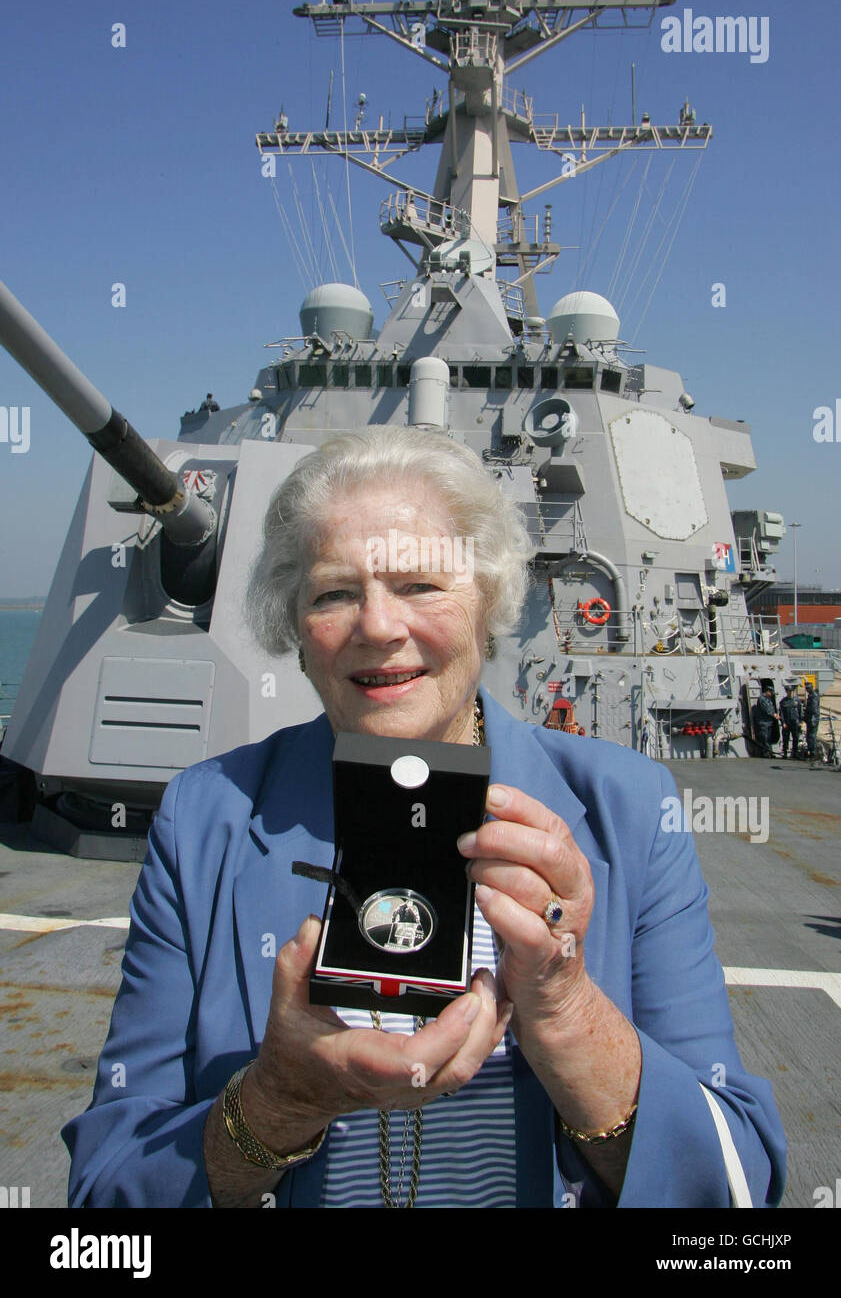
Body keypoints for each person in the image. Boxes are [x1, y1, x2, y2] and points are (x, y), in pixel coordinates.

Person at [62, 426, 785, 1208]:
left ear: (489, 605)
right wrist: (276, 1105)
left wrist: (564, 1006)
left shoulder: (629, 813)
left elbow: (733, 1191)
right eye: (334, 592)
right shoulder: (206, 818)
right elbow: (106, 1201)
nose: (378, 626)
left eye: (421, 585)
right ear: (294, 628)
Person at [752, 682, 778, 757]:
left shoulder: (768, 699)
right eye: (771, 693)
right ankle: (765, 753)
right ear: (767, 691)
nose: (772, 694)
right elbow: (766, 709)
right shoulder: (762, 699)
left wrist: (774, 714)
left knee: (768, 738)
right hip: (763, 722)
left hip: (768, 722)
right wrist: (774, 715)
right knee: (764, 738)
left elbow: (771, 708)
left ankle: (769, 752)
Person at [779, 684, 803, 759]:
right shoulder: (783, 701)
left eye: (791, 691)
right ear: (786, 692)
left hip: (795, 722)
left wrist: (800, 721)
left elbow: (800, 712)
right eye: (789, 691)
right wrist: (783, 723)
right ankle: (785, 752)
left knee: (795, 738)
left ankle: (794, 752)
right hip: (787, 722)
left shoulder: (797, 701)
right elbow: (781, 713)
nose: (790, 693)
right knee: (785, 738)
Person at [804, 682, 820, 760]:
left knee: (812, 736)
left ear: (811, 688)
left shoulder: (814, 696)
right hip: (809, 719)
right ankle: (810, 751)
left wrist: (812, 720)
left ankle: (813, 753)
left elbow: (814, 709)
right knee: (809, 736)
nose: (807, 690)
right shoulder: (810, 696)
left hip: (813, 719)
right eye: (806, 688)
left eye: (808, 688)